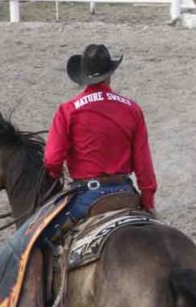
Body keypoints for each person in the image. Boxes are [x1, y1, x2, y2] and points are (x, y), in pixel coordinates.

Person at [42, 44, 158, 240]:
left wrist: (54, 174)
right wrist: (147, 202)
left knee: (39, 239)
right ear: (110, 74)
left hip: (87, 197)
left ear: (83, 76)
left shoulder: (68, 110)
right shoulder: (132, 109)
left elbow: (52, 159)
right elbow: (144, 165)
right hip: (125, 193)